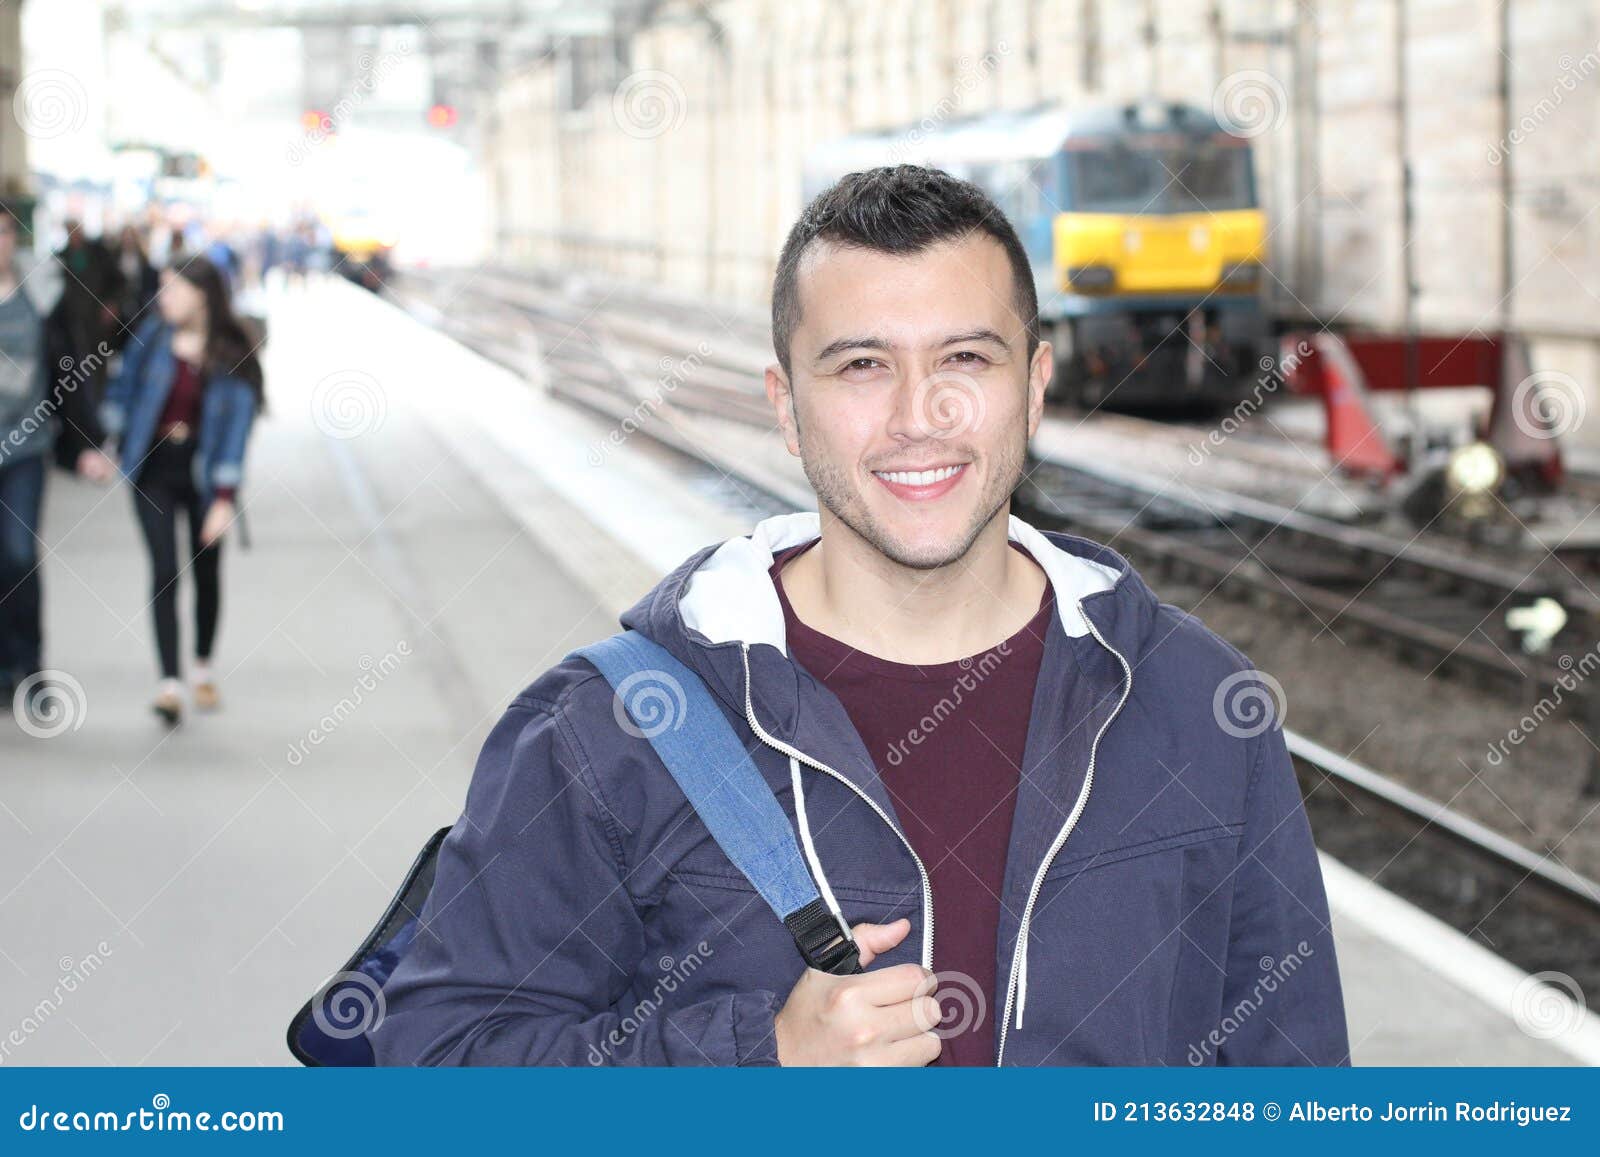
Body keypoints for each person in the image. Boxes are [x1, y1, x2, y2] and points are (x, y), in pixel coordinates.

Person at [370, 166, 1348, 1067]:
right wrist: (760, 1058)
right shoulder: (607, 728)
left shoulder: (1194, 699)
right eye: (861, 367)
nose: (918, 415)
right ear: (786, 407)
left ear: (1035, 387)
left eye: (965, 357)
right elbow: (436, 1062)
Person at [101, 255, 263, 725]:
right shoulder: (152, 338)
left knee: (206, 570)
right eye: (162, 287)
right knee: (165, 570)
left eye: (173, 289)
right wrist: (108, 444)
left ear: (203, 294)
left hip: (205, 476)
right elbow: (122, 392)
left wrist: (224, 501)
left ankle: (202, 667)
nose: (163, 297)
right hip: (153, 469)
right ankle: (169, 683)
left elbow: (236, 433)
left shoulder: (232, 351)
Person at [0, 211, 115, 716]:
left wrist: (89, 442)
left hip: (25, 450)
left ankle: (30, 666)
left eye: (2, 232)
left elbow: (69, 368)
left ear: (14, 238)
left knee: (18, 554)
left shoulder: (41, 295)